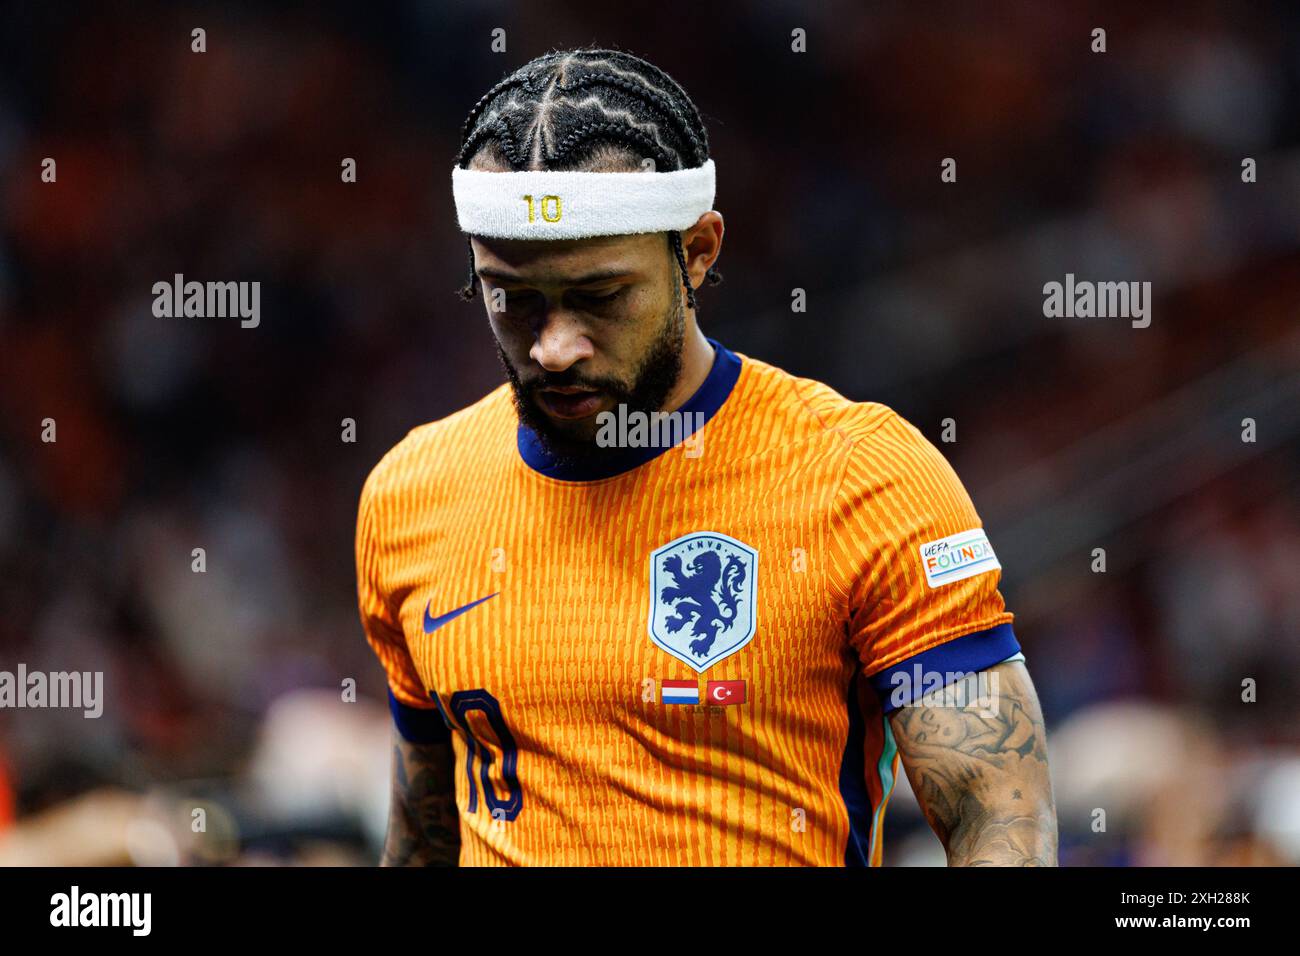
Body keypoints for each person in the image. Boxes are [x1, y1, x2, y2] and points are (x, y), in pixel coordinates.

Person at [356, 47, 1057, 866]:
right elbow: (424, 839)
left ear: (696, 250)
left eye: (599, 296)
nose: (553, 347)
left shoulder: (859, 475)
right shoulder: (410, 497)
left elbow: (997, 820)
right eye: (512, 298)